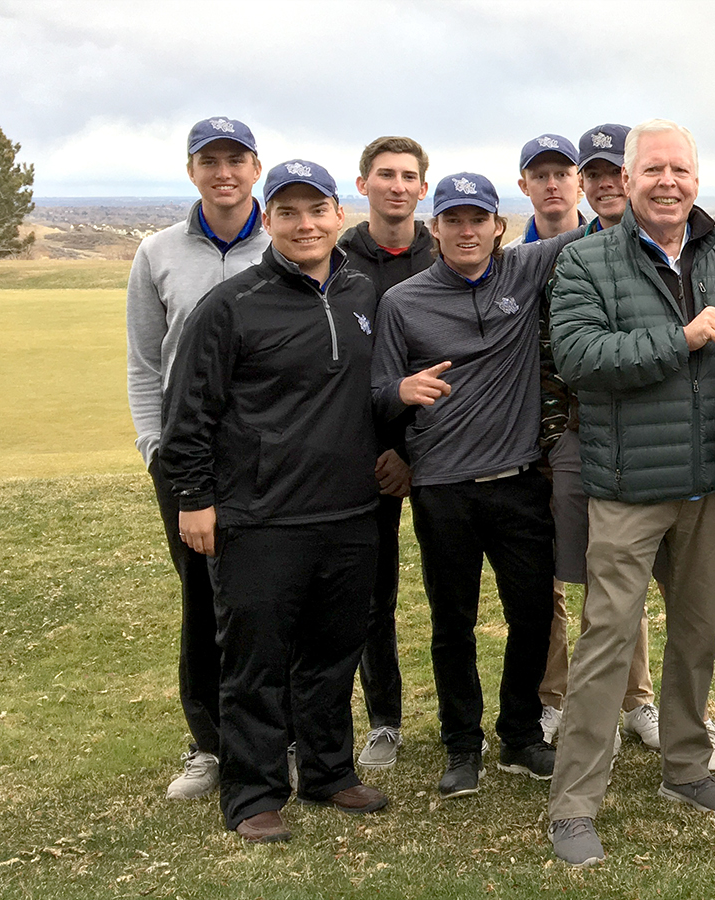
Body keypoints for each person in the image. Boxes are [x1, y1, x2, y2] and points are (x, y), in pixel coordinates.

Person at [160, 159, 389, 842]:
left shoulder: (362, 291)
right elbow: (187, 413)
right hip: (259, 517)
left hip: (349, 512)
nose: (304, 224)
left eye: (315, 209)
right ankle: (253, 793)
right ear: (270, 219)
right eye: (287, 212)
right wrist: (194, 498)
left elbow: (372, 391)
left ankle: (327, 772)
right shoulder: (232, 305)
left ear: (338, 212)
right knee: (254, 661)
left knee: (334, 652)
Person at [546, 119, 715, 867]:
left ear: (698, 179)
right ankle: (573, 805)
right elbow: (579, 357)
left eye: (681, 169)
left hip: (711, 484)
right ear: (626, 181)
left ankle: (687, 769)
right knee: (606, 642)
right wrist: (685, 338)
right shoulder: (587, 261)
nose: (668, 181)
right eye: (653, 169)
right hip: (628, 487)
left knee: (696, 635)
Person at [371, 172, 582, 799]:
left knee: (533, 614)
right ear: (432, 228)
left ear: (498, 226)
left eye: (478, 220)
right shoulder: (402, 302)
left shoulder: (523, 269)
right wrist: (401, 392)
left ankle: (519, 736)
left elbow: (603, 227)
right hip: (443, 490)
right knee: (452, 621)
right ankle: (462, 744)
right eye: (453, 220)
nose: (467, 231)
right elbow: (376, 394)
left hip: (518, 483)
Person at [126, 116, 268, 800]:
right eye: (209, 160)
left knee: (273, 598)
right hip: (187, 459)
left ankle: (279, 738)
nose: (224, 172)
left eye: (236, 159)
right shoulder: (157, 253)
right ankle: (210, 744)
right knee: (204, 602)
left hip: (271, 458)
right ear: (192, 171)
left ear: (255, 167)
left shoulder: (288, 245)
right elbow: (145, 366)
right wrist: (157, 452)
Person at [534, 122, 664, 756]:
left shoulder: (662, 248)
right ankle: (558, 698)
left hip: (644, 436)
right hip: (576, 432)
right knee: (566, 571)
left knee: (622, 573)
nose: (608, 183)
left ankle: (636, 699)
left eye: (618, 171)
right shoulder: (567, 255)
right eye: (596, 175)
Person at [337, 135, 436, 771]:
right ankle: (384, 721)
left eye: (408, 176)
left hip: (437, 452)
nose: (397, 186)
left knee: (453, 593)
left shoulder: (451, 247)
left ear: (424, 188)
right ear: (363, 183)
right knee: (370, 597)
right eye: (385, 175)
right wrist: (384, 451)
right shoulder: (338, 257)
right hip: (362, 456)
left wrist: (412, 453)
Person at [518, 134, 588, 240]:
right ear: (524, 186)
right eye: (540, 176)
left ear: (580, 180)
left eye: (561, 175)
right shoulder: (513, 256)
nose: (551, 185)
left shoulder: (608, 252)